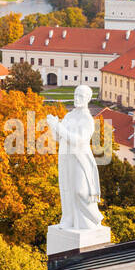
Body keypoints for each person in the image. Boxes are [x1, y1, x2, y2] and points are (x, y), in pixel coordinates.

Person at [45, 85, 104, 231]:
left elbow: (78, 140)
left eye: (81, 96)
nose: (77, 98)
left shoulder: (87, 119)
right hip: (65, 156)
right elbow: (58, 138)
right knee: (66, 189)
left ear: (89, 99)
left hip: (80, 158)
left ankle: (92, 219)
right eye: (76, 95)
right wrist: (53, 125)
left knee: (80, 190)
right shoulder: (69, 116)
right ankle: (68, 219)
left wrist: (58, 127)